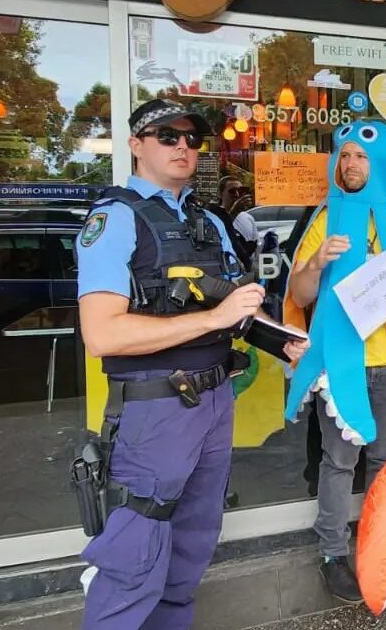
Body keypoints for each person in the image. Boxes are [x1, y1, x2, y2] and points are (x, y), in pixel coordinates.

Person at [75, 98, 308, 629]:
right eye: (167, 136)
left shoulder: (208, 222)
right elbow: (102, 332)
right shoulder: (115, 220)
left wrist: (281, 342)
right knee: (136, 551)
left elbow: (229, 306)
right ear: (136, 145)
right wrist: (213, 320)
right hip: (155, 406)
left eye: (191, 139)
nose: (183, 146)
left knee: (193, 544)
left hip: (213, 401)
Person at [286, 121, 386, 603]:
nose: (350, 164)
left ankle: (378, 543)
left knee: (384, 461)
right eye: (346, 156)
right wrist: (314, 265)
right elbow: (297, 294)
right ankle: (333, 552)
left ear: (383, 163)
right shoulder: (324, 218)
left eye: (360, 156)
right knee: (337, 463)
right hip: (341, 363)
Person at [207, 175, 256, 264]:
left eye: (241, 191)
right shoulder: (212, 215)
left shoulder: (247, 217)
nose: (237, 195)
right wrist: (234, 212)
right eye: (232, 191)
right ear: (220, 194)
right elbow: (218, 234)